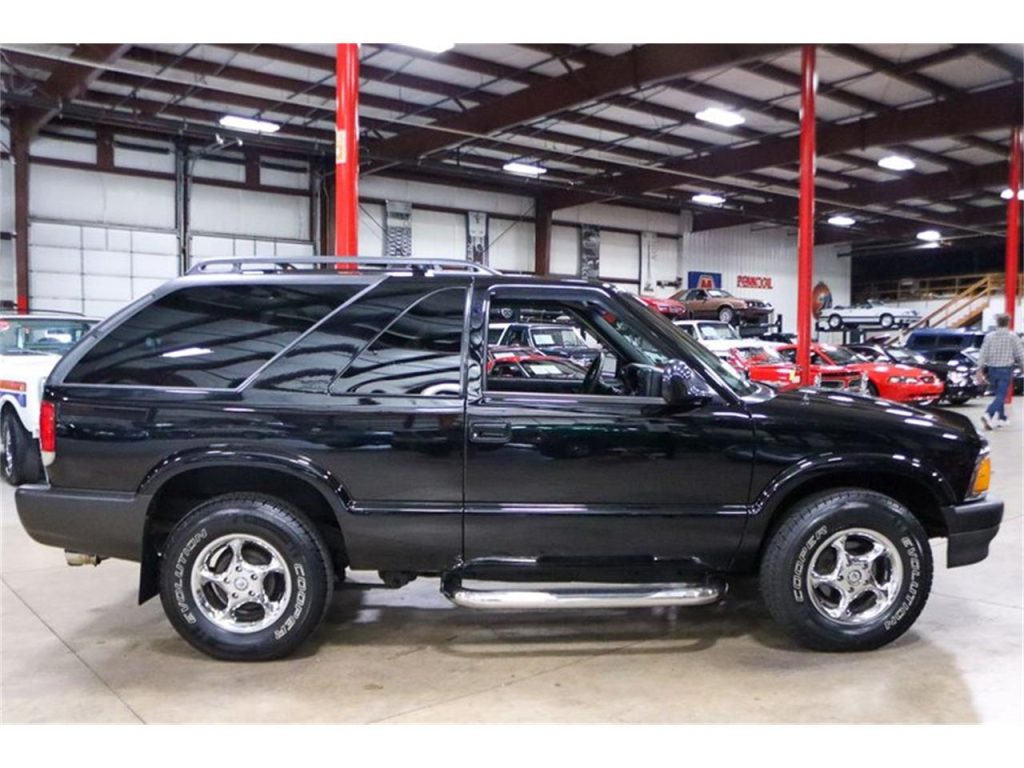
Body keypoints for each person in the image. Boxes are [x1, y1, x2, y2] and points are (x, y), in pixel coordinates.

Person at [977, 313, 1024, 430]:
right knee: (1002, 395)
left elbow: (983, 353)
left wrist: (979, 370)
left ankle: (1001, 418)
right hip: (1005, 369)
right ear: (1008, 323)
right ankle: (988, 414)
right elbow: (1020, 355)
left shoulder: (989, 336)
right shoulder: (1013, 337)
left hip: (992, 370)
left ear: (997, 323)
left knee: (999, 394)